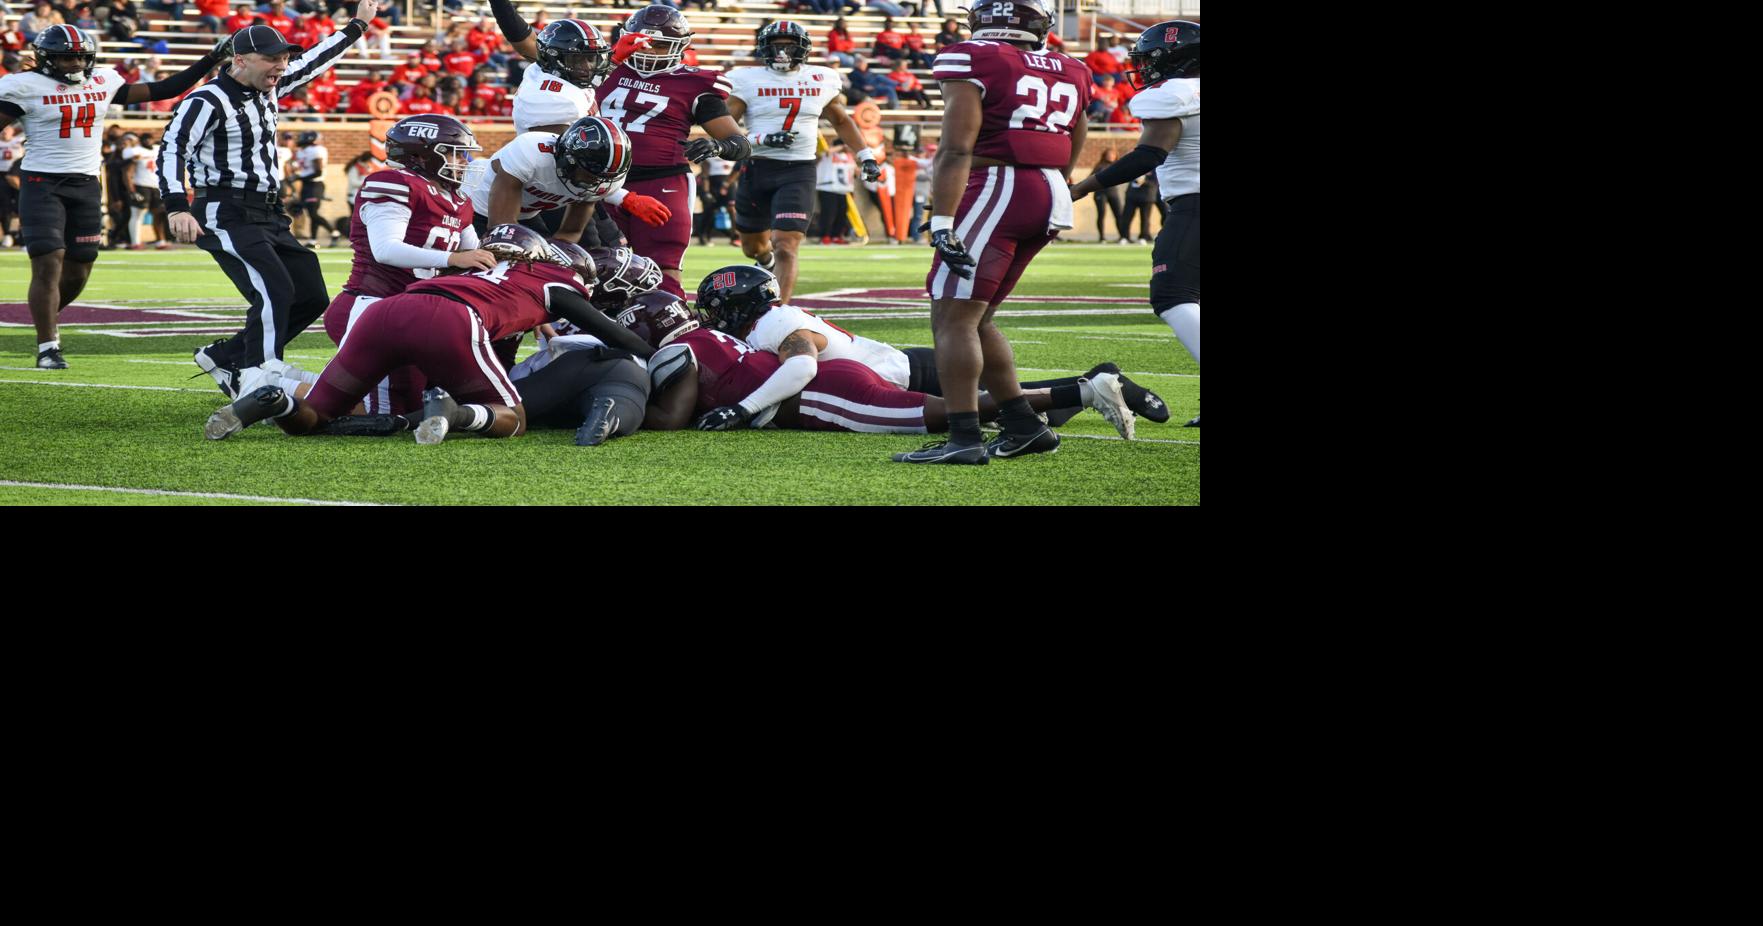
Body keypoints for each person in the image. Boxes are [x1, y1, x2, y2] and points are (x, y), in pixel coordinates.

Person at [204, 225, 644, 442]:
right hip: (449, 318)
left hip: (386, 311)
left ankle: (274, 401)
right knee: (512, 418)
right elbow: (616, 336)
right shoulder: (557, 282)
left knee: (314, 421)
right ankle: (454, 413)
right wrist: (663, 346)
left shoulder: (501, 269)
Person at [908, 0, 1091, 463]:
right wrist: (1053, 182)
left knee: (951, 318)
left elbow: (955, 148)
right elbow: (1076, 137)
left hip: (998, 184)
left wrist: (943, 220)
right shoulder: (1072, 67)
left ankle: (964, 438)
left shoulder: (974, 57)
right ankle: (1023, 423)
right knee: (977, 316)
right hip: (1048, 187)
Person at [165, 8, 372, 398]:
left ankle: (227, 356)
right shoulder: (207, 100)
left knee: (310, 292)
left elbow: (314, 59)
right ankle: (261, 374)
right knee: (273, 287)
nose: (281, 65)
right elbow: (173, 148)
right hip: (225, 207)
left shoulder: (270, 87)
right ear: (240, 61)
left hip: (269, 211)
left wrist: (357, 26)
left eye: (283, 58)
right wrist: (176, 204)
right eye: (272, 58)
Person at [0, 24, 233, 369]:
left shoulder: (103, 80)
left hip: (86, 184)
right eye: (67, 58)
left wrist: (211, 58)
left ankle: (45, 319)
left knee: (80, 267)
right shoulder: (23, 86)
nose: (75, 64)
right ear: (46, 59)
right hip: (41, 182)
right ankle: (48, 346)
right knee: (49, 260)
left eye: (80, 57)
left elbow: (164, 89)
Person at [688, 265, 1154, 436]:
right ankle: (1090, 382)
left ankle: (1086, 389)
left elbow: (803, 366)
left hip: (895, 372)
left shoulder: (775, 323)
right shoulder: (772, 318)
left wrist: (743, 408)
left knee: (989, 406)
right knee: (1007, 402)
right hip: (892, 363)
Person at [317, 115, 493, 417]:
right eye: (453, 153)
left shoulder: (459, 200)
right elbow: (386, 250)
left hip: (415, 313)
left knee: (418, 402)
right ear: (419, 156)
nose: (463, 161)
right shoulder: (392, 183)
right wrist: (451, 259)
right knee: (386, 413)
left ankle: (299, 387)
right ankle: (277, 385)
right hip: (371, 306)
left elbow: (474, 255)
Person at [1069, 20, 1198, 425]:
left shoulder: (1174, 94)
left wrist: (1081, 187)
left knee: (1172, 295)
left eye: (1149, 59)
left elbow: (1147, 156)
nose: (1143, 67)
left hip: (1195, 205)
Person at [597, 4, 750, 297]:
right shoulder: (601, 68)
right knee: (595, 267)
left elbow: (740, 144)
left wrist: (717, 145)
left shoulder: (694, 82)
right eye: (643, 42)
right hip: (599, 181)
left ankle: (667, 332)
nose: (648, 51)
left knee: (661, 272)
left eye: (659, 45)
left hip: (661, 182)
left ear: (679, 46)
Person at [725, 20, 878, 304]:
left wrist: (865, 155)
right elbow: (723, 126)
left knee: (787, 244)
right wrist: (761, 138)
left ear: (802, 48)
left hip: (798, 170)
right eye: (776, 45)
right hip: (757, 167)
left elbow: (842, 120)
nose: (782, 52)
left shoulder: (821, 78)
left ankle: (778, 313)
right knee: (753, 248)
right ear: (764, 48)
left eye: (789, 45)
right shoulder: (746, 79)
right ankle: (765, 262)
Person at [483, 2, 623, 245]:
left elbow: (518, 34)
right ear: (557, 60)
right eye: (580, 60)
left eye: (591, 59)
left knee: (606, 250)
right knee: (590, 252)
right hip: (556, 182)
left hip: (572, 180)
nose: (588, 67)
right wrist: (623, 196)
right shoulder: (555, 99)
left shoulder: (546, 67)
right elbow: (574, 158)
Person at [465, 114, 671, 246]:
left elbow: (570, 233)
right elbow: (501, 228)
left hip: (526, 212)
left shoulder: (603, 179)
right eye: (589, 174)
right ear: (567, 158)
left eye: (602, 178)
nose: (594, 183)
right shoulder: (531, 152)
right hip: (476, 207)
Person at [292, 129, 336, 245]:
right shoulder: (302, 151)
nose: (300, 139)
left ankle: (334, 232)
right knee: (311, 213)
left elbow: (318, 172)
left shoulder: (316, 150)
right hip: (307, 184)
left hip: (315, 184)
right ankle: (313, 240)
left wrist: (299, 178)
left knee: (313, 213)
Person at [815, 138, 853, 244]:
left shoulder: (848, 156)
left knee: (841, 214)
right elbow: (825, 152)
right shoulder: (829, 154)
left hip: (843, 189)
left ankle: (836, 235)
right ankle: (825, 236)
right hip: (827, 188)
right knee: (828, 214)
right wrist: (839, 147)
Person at [1088, 148, 1123, 242]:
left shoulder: (1117, 165)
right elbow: (1090, 178)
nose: (1111, 156)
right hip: (1101, 193)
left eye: (1113, 154)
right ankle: (1102, 237)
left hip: (1113, 192)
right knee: (1101, 214)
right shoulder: (1099, 166)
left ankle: (1122, 236)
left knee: (1119, 214)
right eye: (1109, 154)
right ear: (1105, 155)